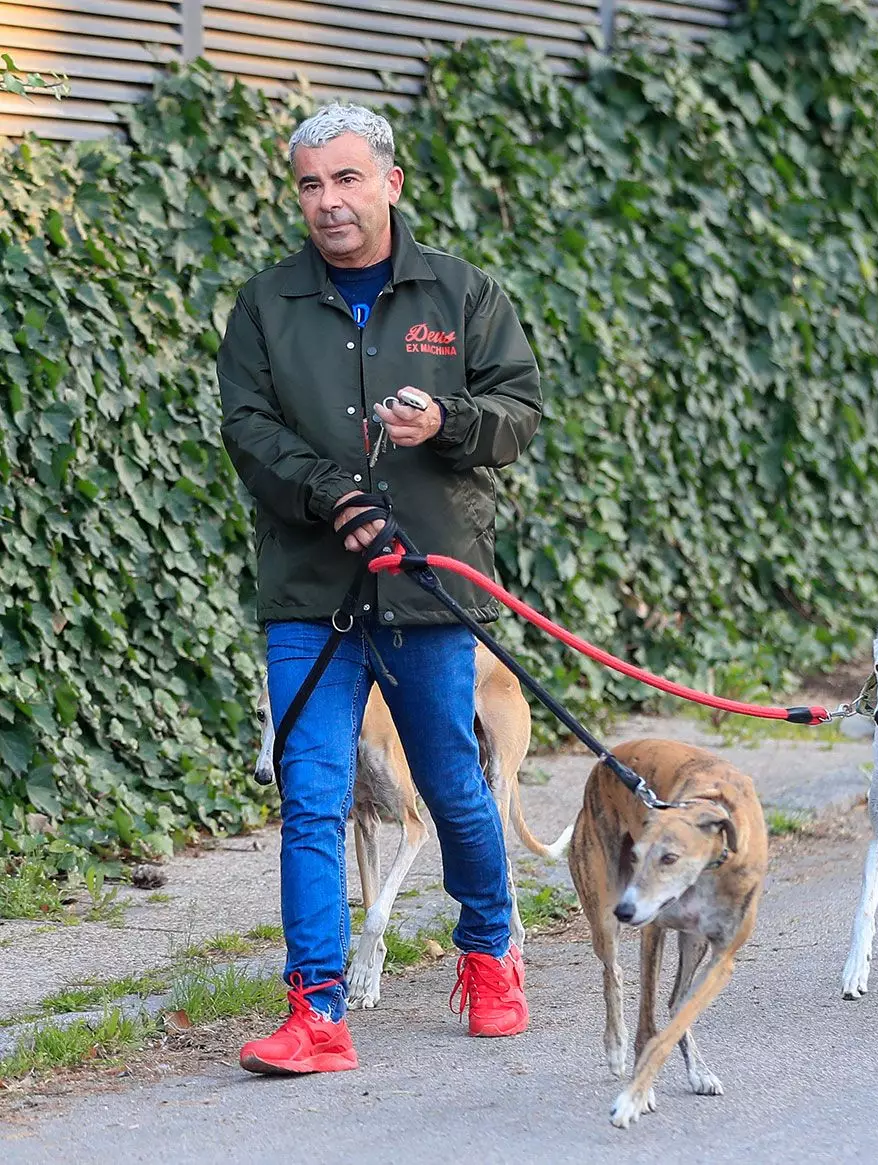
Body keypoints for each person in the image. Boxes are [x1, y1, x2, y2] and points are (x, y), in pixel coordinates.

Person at [217, 102, 542, 1075]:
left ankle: (490, 954)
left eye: (348, 179)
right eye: (311, 183)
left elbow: (518, 413)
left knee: (449, 783)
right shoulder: (265, 305)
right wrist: (330, 495)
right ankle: (315, 1011)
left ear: (390, 182)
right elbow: (249, 430)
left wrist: (445, 418)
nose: (329, 201)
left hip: (428, 587)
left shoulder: (462, 293)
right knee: (311, 797)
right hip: (312, 591)